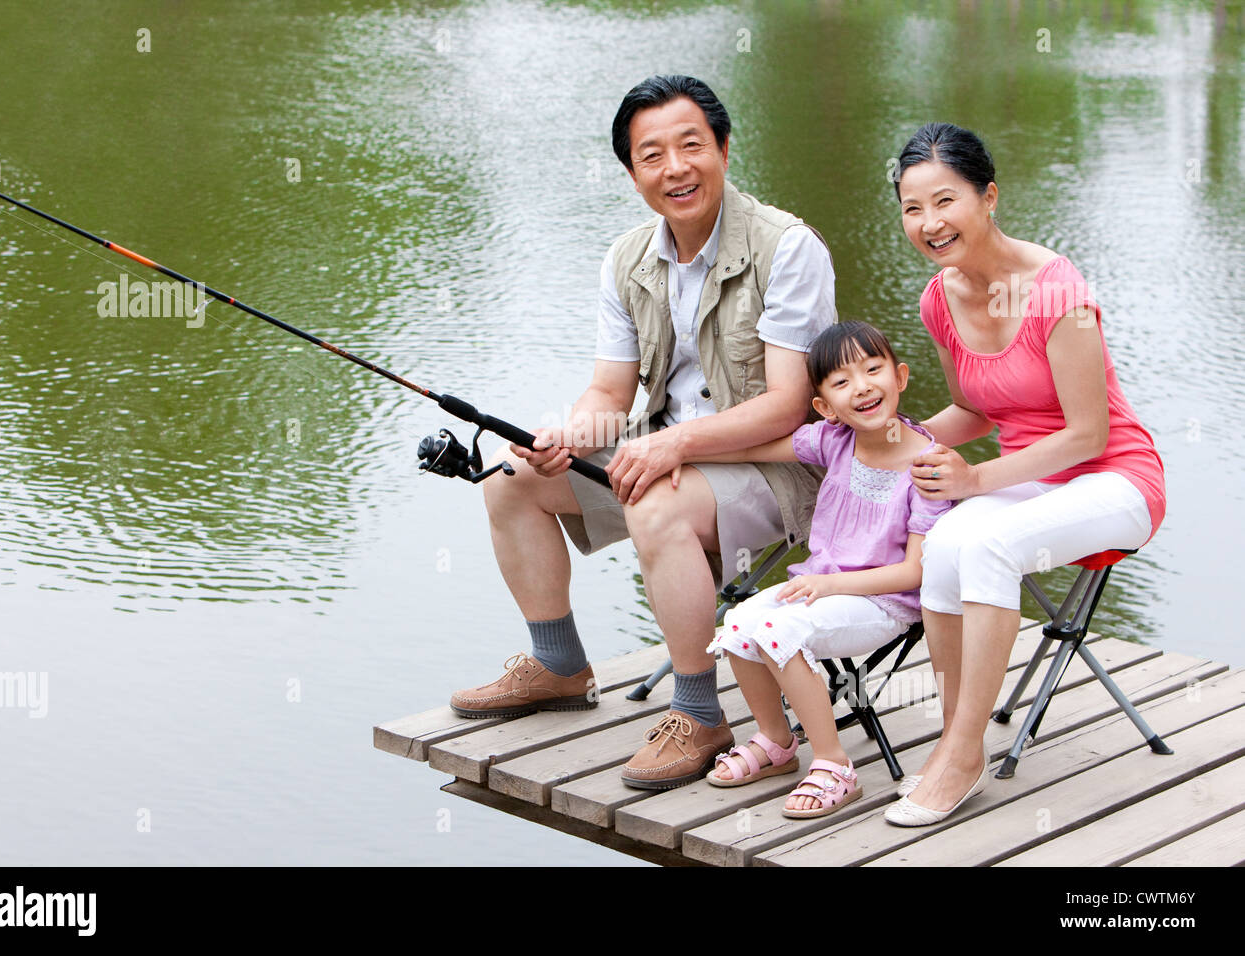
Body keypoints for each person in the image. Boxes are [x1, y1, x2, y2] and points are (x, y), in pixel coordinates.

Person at [449, 74, 837, 790]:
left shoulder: (788, 248)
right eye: (651, 155)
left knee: (656, 500)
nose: (675, 168)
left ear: (724, 147)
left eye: (692, 145)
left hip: (779, 467)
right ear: (632, 174)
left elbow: (789, 406)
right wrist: (565, 434)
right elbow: (610, 392)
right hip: (662, 450)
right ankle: (559, 664)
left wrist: (675, 444)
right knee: (511, 481)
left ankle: (698, 711)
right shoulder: (626, 259)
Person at [885, 123, 1166, 826]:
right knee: (945, 544)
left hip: (1115, 479)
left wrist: (976, 482)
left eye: (945, 201)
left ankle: (962, 752)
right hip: (1032, 479)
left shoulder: (1055, 290)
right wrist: (888, 443)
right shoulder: (937, 299)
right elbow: (975, 410)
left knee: (983, 541)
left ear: (989, 197)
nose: (929, 223)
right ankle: (957, 739)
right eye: (912, 208)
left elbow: (1087, 432)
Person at [692, 322, 951, 816]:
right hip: (822, 591)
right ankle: (776, 742)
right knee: (739, 620)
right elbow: (753, 448)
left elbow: (913, 573)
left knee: (776, 627)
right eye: (841, 381)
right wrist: (682, 451)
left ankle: (834, 764)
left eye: (873, 369)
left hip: (884, 604)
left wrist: (829, 584)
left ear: (900, 376)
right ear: (826, 407)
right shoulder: (834, 441)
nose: (862, 386)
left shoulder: (928, 467)